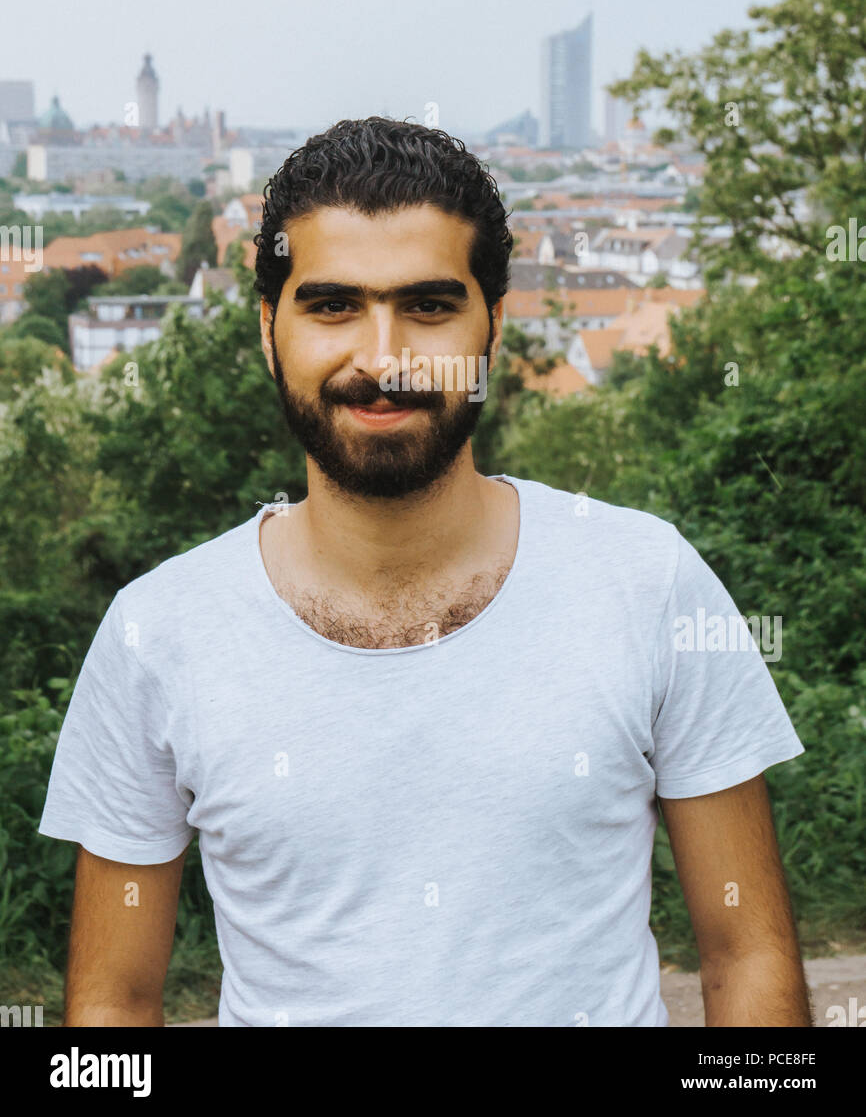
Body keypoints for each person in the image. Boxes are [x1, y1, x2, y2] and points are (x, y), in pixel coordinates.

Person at [38, 116, 811, 1027]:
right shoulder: (157, 633)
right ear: (267, 330)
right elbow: (111, 1005)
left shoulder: (648, 584)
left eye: (429, 307)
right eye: (332, 306)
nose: (383, 358)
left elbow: (748, 955)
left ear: (492, 327)